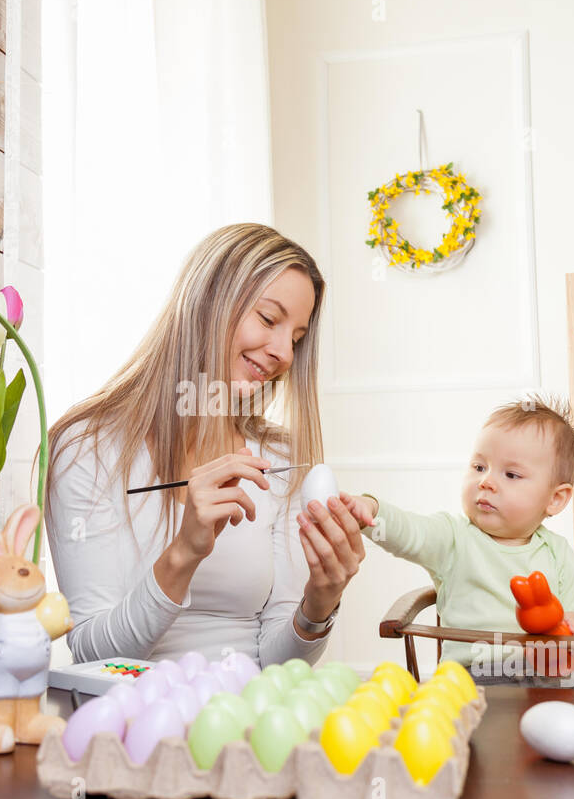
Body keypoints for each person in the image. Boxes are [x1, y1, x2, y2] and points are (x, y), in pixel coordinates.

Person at [44, 223, 366, 666]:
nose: (284, 354)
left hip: (247, 713)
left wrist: (318, 603)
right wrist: (184, 554)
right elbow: (95, 656)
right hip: (131, 717)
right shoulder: (86, 447)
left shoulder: (278, 459)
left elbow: (278, 662)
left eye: (295, 338)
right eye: (269, 319)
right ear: (206, 303)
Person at [344, 398, 574, 687]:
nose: (486, 482)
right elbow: (410, 532)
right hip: (475, 677)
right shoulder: (453, 537)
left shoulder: (558, 553)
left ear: (555, 499)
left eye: (511, 474)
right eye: (479, 467)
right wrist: (371, 511)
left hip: (552, 677)